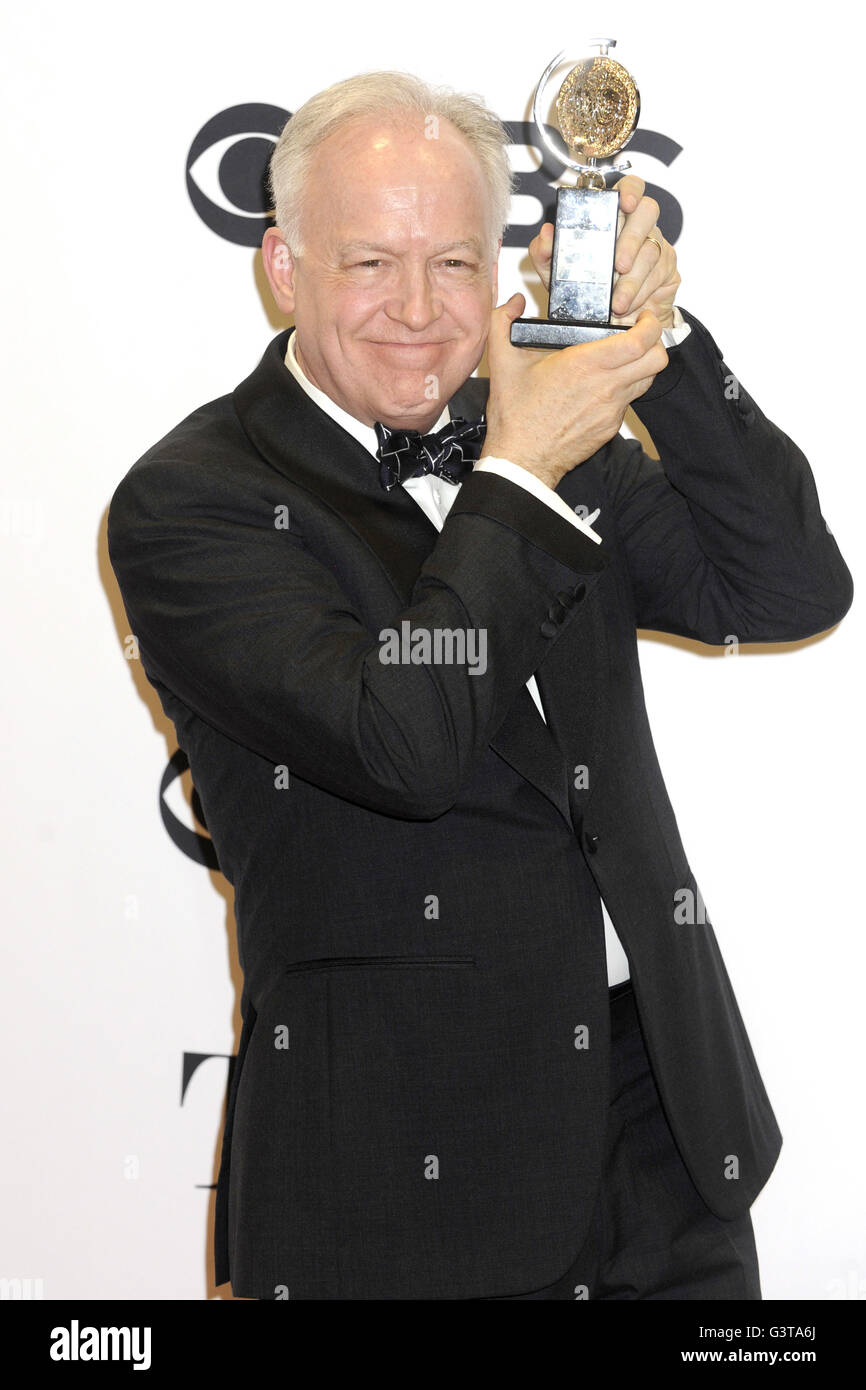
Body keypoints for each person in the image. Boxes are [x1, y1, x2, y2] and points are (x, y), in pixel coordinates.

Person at [107, 71, 852, 1301]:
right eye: (368, 265)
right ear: (283, 268)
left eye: (453, 263)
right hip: (402, 1180)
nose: (417, 309)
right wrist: (517, 467)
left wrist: (648, 350)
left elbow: (781, 590)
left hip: (663, 1126)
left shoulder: (536, 437)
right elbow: (406, 741)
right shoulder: (196, 501)